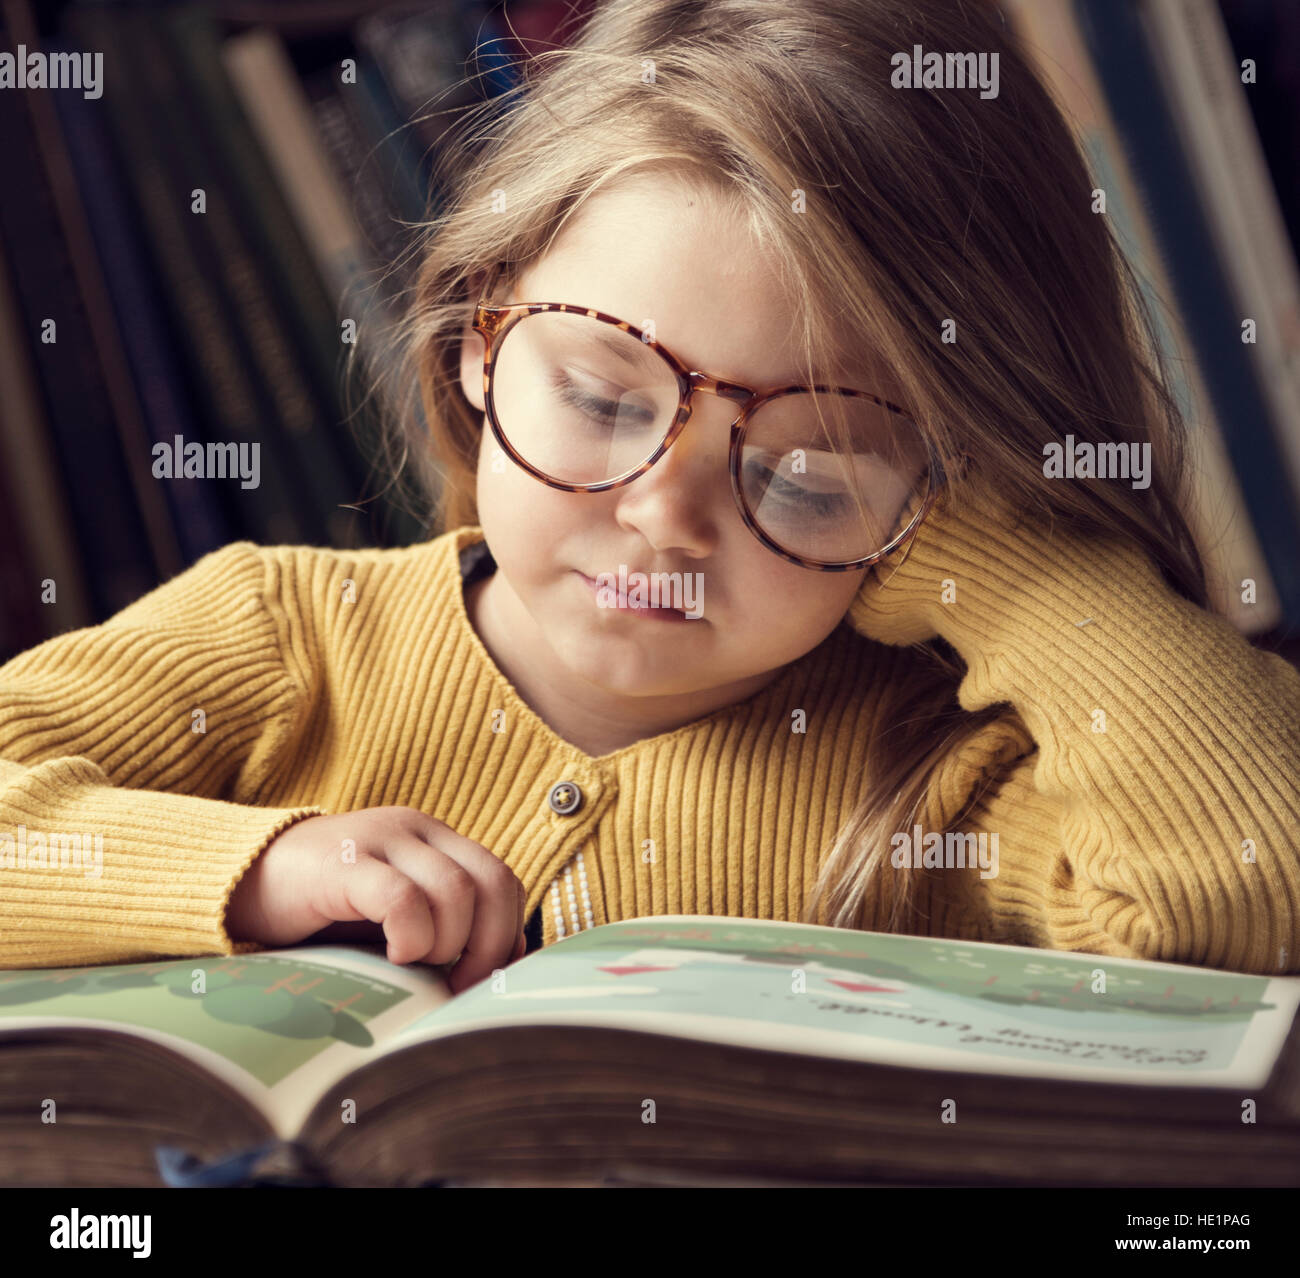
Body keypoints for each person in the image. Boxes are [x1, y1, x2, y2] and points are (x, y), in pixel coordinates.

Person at [2, 0, 1297, 992]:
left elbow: (1237, 904)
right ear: (480, 335)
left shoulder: (945, 778)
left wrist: (1014, 554)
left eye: (807, 467)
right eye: (608, 399)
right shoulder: (286, 632)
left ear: (950, 486)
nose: (663, 511)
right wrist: (258, 870)